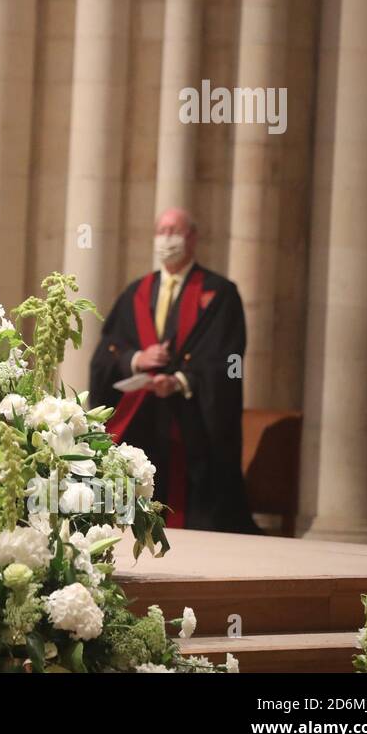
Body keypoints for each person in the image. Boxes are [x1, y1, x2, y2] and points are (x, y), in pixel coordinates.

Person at [88, 207, 259, 534]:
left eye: (174, 231)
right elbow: (105, 354)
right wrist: (137, 359)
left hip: (191, 422)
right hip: (144, 422)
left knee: (194, 511)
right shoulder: (136, 293)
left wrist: (181, 380)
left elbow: (227, 359)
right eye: (161, 231)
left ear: (192, 238)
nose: (167, 239)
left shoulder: (220, 293)